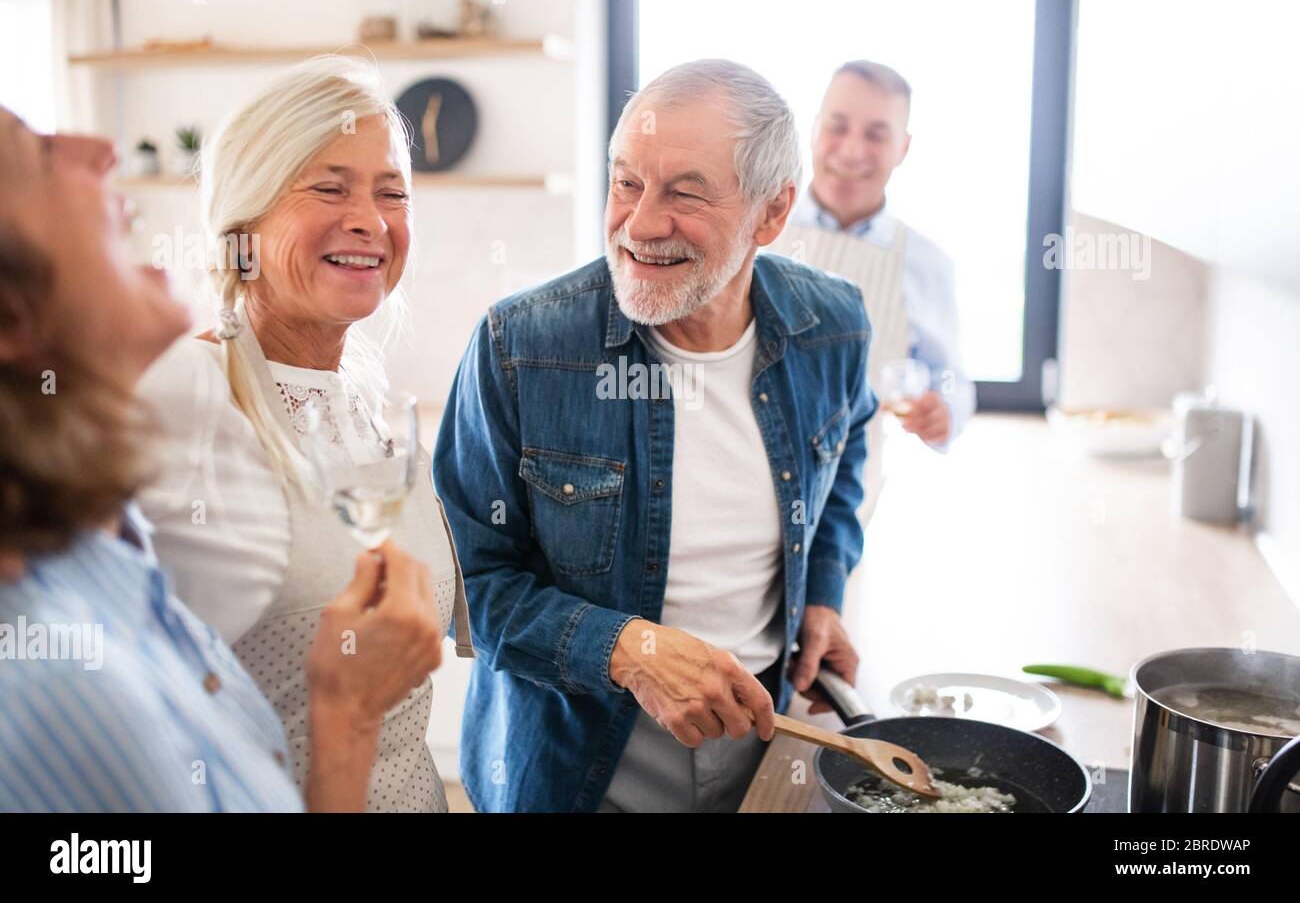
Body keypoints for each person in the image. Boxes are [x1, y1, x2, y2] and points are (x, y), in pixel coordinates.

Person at [435, 59, 876, 812]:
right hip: (576, 765)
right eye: (625, 182)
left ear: (772, 215)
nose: (639, 225)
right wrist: (626, 650)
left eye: (684, 193)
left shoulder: (832, 327)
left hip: (765, 739)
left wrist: (824, 592)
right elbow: (467, 590)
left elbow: (845, 456)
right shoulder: (521, 345)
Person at [0, 104, 445, 812]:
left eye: (392, 191)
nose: (98, 146)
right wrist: (347, 721)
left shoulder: (103, 560)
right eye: (329, 188)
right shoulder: (54, 686)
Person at [134, 55, 474, 813]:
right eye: (329, 187)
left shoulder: (373, 398)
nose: (371, 220)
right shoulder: (183, 405)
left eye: (393, 193)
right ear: (244, 217)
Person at [793, 60, 975, 449]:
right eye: (837, 127)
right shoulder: (755, 231)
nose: (853, 150)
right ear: (813, 128)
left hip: (861, 485)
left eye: (876, 135)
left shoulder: (926, 262)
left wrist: (945, 410)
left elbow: (951, 377)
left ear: (903, 148)